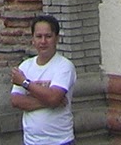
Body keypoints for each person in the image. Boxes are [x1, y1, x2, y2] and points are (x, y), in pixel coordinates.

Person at [10, 15, 75, 145]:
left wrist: (25, 83)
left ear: (57, 38)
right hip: (31, 142)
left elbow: (53, 97)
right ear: (33, 39)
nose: (43, 41)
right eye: (39, 36)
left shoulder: (64, 66)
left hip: (60, 141)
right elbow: (16, 101)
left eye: (48, 36)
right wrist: (50, 102)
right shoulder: (25, 66)